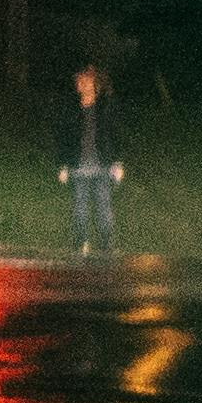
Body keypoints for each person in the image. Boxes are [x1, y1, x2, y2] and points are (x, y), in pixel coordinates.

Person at [64, 62, 124, 257]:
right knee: (79, 207)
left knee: (103, 206)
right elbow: (64, 137)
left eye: (87, 81)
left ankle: (107, 245)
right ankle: (81, 242)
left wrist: (117, 163)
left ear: (96, 84)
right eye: (80, 82)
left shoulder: (106, 106)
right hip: (78, 165)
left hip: (102, 165)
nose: (82, 85)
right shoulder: (72, 108)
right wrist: (64, 165)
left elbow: (115, 134)